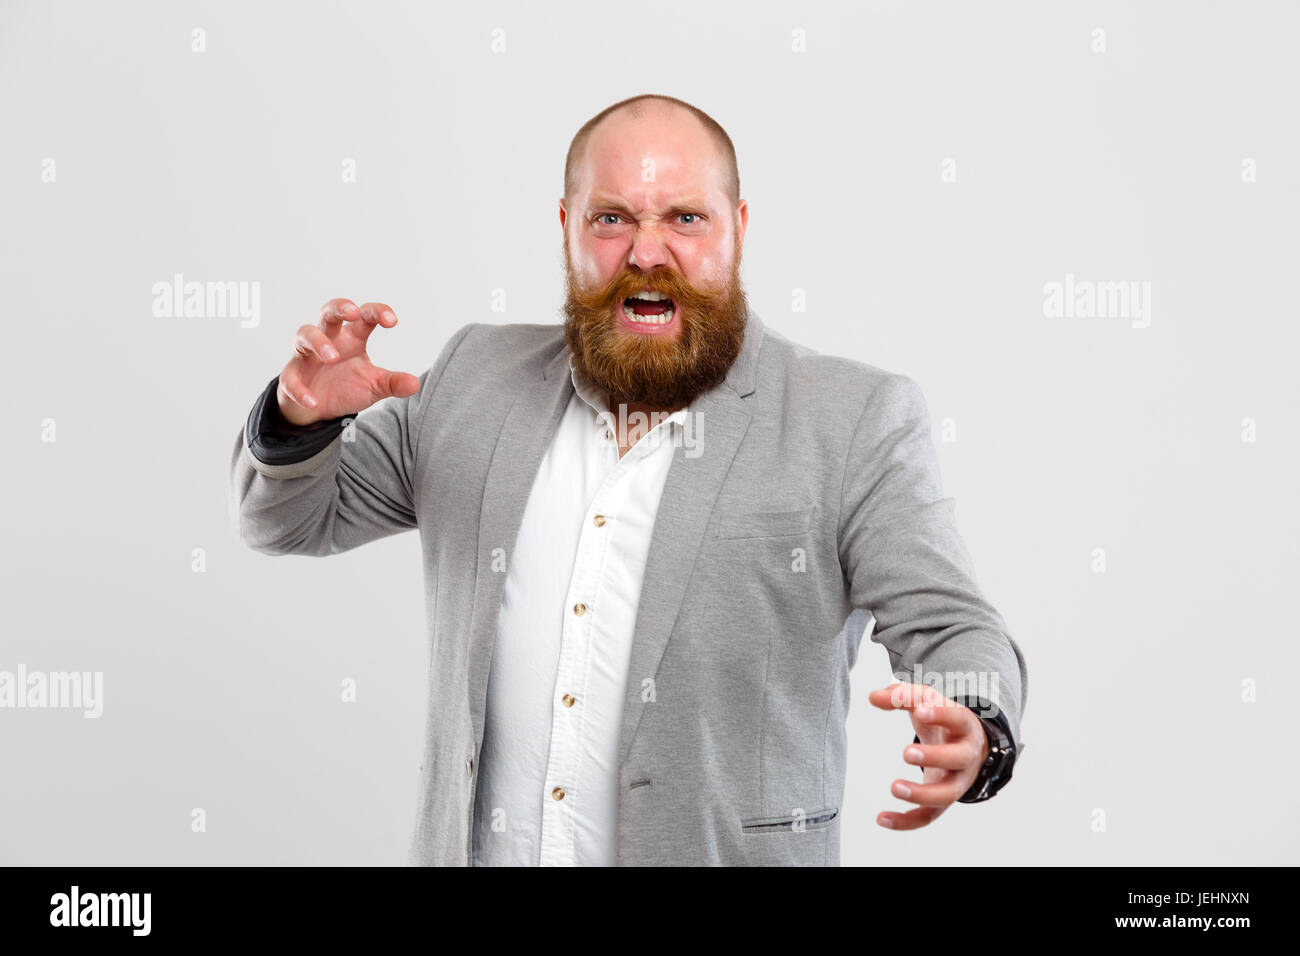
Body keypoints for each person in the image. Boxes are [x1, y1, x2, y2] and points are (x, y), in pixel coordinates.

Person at [229, 93, 1028, 866]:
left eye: (685, 218)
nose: (647, 252)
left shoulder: (849, 418)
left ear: (738, 228)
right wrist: (302, 419)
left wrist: (976, 723)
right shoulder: (473, 379)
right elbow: (286, 521)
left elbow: (952, 625)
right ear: (567, 228)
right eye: (611, 219)